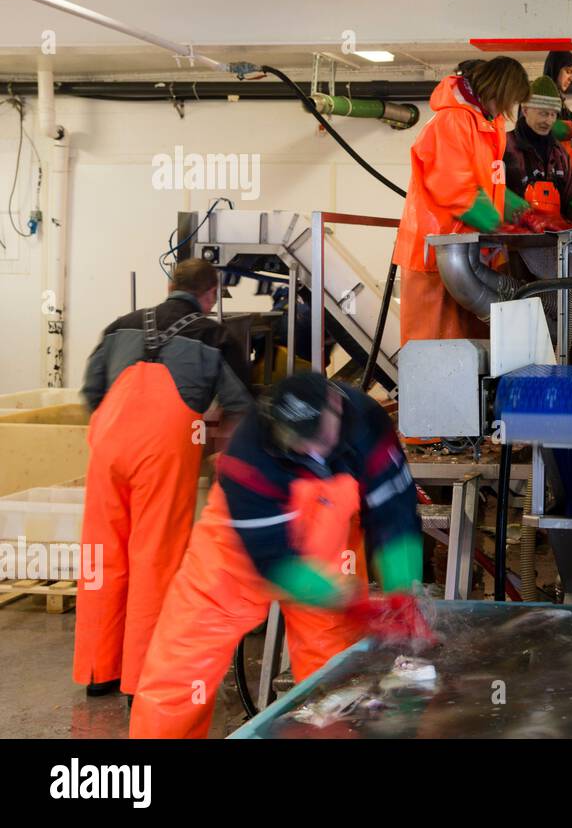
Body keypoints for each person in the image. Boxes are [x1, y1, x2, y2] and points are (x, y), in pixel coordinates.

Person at [129, 373, 426, 738]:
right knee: (180, 672)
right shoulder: (247, 453)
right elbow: (272, 559)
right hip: (234, 555)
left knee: (334, 678)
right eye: (297, 441)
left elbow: (394, 510)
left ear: (336, 405)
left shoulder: (367, 422)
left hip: (326, 555)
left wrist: (401, 590)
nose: (310, 452)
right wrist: (348, 604)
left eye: (318, 438)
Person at [75, 258, 253, 700]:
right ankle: (141, 678)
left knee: (103, 554)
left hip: (108, 447)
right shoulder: (216, 335)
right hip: (163, 451)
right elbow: (241, 404)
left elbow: (92, 393)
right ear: (210, 295)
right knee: (155, 557)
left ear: (170, 285)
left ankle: (99, 671)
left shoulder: (119, 326)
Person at [393, 56, 536, 345]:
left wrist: (521, 213)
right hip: (435, 254)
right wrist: (496, 224)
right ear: (496, 91)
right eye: (509, 101)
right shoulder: (453, 120)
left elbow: (486, 179)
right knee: (433, 348)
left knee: (474, 346)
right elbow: (451, 184)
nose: (508, 112)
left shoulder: (486, 122)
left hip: (467, 252)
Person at [505, 76, 572, 225]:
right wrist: (528, 218)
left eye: (553, 114)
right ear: (525, 110)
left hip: (555, 238)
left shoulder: (559, 153)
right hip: (515, 241)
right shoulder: (506, 147)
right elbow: (496, 194)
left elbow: (571, 194)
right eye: (543, 113)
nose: (549, 121)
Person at [542, 50, 572, 166]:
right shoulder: (538, 96)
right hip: (546, 173)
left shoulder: (563, 106)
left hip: (563, 171)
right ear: (555, 68)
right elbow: (534, 128)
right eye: (569, 72)